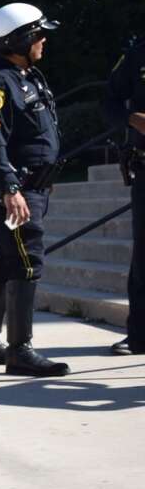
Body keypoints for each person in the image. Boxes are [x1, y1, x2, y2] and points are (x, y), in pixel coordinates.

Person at [0, 3, 69, 377]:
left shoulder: (27, 76)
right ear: (21, 40)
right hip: (18, 190)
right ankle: (20, 351)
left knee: (8, 260)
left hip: (33, 186)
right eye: (39, 34)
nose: (44, 40)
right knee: (29, 262)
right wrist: (11, 188)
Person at [101, 33, 145, 355]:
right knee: (143, 257)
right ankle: (139, 335)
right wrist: (132, 118)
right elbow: (109, 101)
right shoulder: (137, 53)